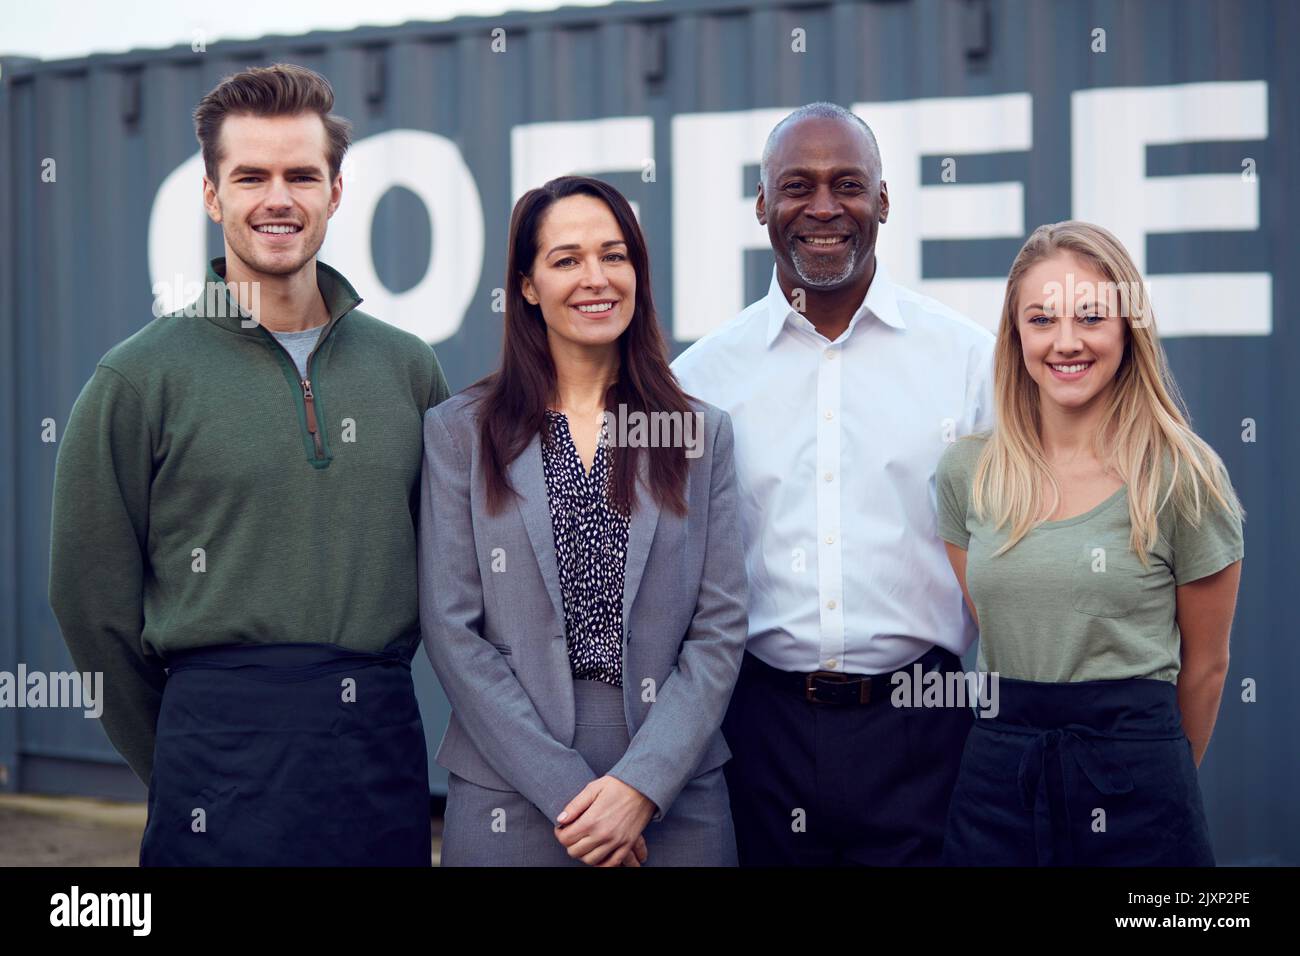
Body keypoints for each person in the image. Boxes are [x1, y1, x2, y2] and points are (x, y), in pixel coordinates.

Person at [48, 63, 449, 866]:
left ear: (336, 192)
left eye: (302, 175)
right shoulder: (138, 377)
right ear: (211, 195)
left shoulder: (406, 369)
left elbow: (455, 570)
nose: (278, 199)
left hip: (377, 745)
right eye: (251, 176)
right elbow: (88, 602)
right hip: (212, 757)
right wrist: (179, 757)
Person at [671, 102, 995, 866]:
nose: (823, 208)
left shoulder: (973, 364)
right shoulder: (699, 379)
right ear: (762, 205)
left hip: (927, 723)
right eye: (796, 186)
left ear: (883, 201)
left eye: (848, 184)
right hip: (759, 728)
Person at [420, 175, 747, 867]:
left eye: (614, 254)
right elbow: (453, 630)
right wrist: (572, 793)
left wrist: (640, 786)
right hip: (508, 790)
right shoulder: (460, 433)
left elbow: (719, 629)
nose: (595, 278)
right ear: (529, 286)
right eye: (566, 259)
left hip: (674, 795)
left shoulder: (698, 433)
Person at [936, 220, 1244, 866]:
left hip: (1141, 793)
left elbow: (1208, 667)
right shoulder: (968, 474)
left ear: (1128, 328)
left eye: (1090, 317)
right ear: (1015, 334)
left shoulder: (1185, 477)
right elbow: (997, 617)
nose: (1066, 342)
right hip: (997, 788)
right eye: (1042, 319)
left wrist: (1145, 776)